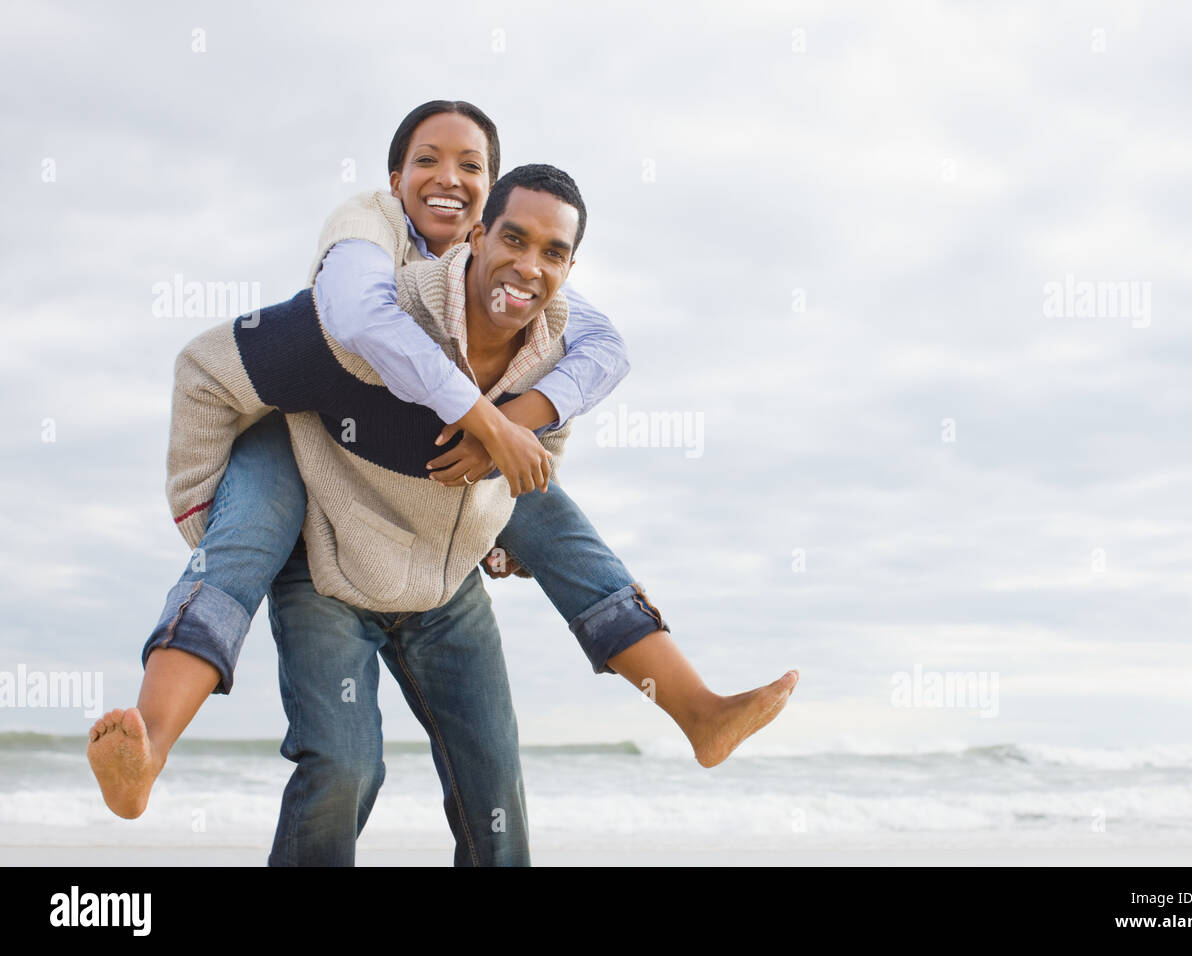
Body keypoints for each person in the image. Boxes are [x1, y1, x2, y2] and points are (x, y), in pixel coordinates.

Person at [88, 102, 797, 828]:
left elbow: (605, 350)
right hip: (298, 445)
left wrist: (511, 432)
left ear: (486, 202)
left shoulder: (517, 289)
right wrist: (483, 420)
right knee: (252, 552)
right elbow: (357, 317)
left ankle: (697, 710)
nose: (448, 180)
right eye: (426, 160)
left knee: (548, 517)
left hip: (433, 537)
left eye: (471, 168)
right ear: (394, 179)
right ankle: (151, 744)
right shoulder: (368, 243)